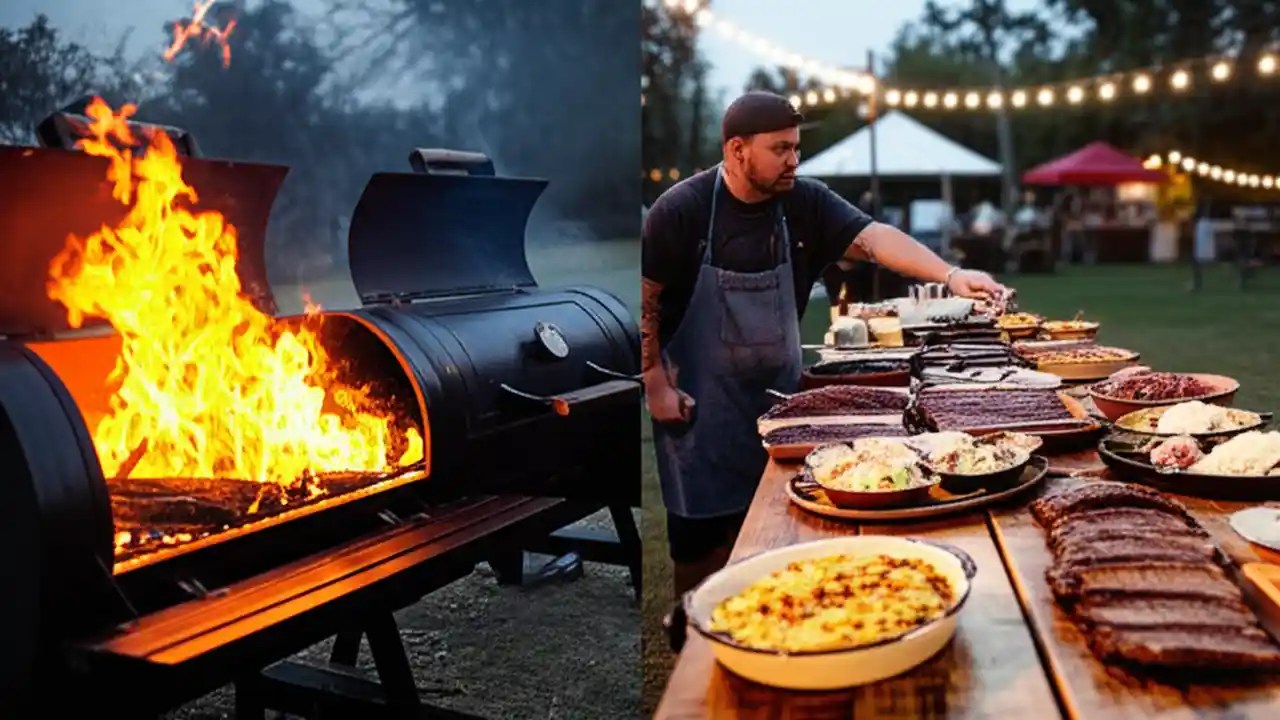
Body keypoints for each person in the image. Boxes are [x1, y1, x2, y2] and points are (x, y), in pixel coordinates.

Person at [640, 91, 1009, 604]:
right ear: (737, 150)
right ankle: (690, 636)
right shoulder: (681, 210)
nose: (794, 160)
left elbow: (875, 239)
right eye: (780, 149)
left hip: (787, 404)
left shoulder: (804, 203)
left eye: (796, 148)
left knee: (785, 529)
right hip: (701, 409)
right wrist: (654, 381)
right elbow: (646, 299)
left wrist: (950, 274)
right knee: (701, 547)